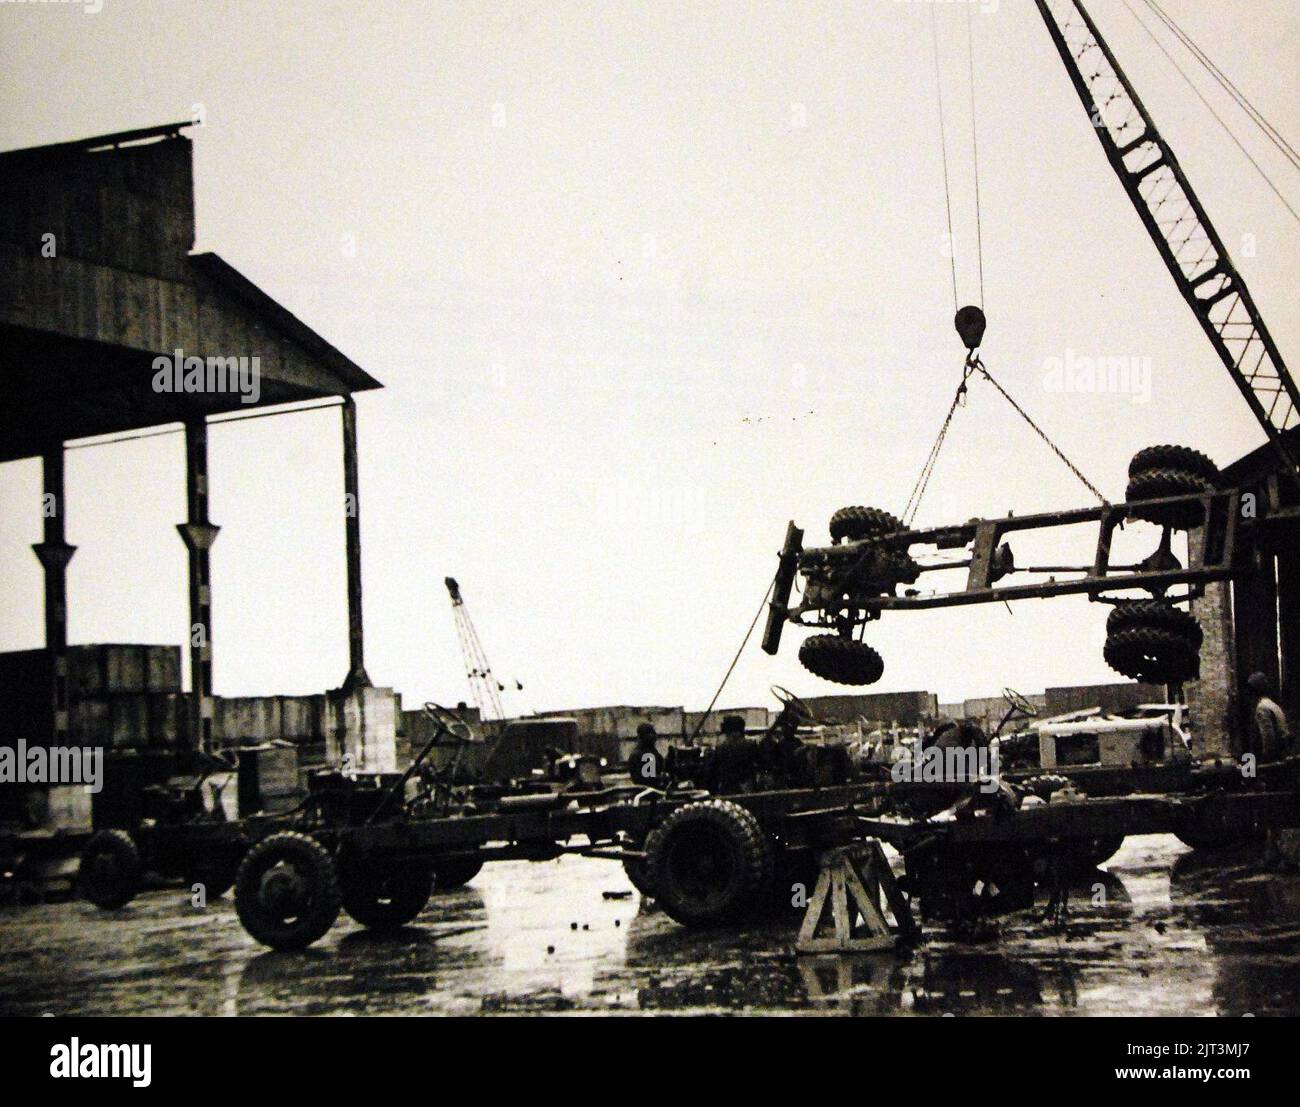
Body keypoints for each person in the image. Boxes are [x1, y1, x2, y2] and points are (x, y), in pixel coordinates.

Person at [1249, 672, 1291, 762]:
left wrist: (1266, 760)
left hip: (1274, 758)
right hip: (1283, 754)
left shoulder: (1261, 708)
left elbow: (1268, 736)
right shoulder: (1272, 704)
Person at [712, 714, 757, 794]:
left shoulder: (721, 748)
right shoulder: (750, 745)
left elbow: (715, 769)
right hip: (746, 787)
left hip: (727, 788)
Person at [627, 722, 666, 787]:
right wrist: (662, 778)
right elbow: (647, 779)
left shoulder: (651, 752)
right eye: (650, 733)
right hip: (648, 792)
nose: (654, 736)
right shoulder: (640, 754)